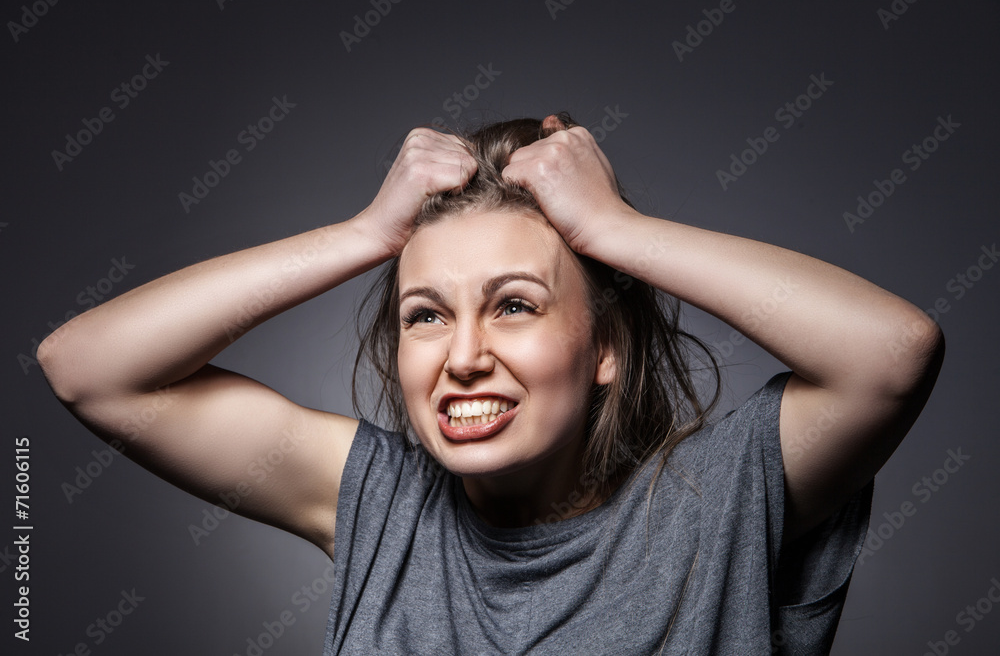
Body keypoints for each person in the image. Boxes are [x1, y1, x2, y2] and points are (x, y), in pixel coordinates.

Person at [38, 113, 944, 654]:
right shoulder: (378, 502)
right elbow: (87, 367)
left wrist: (617, 230)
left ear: (606, 349)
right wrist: (364, 234)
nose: (461, 354)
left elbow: (892, 352)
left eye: (513, 305)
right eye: (425, 314)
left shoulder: (725, 497)